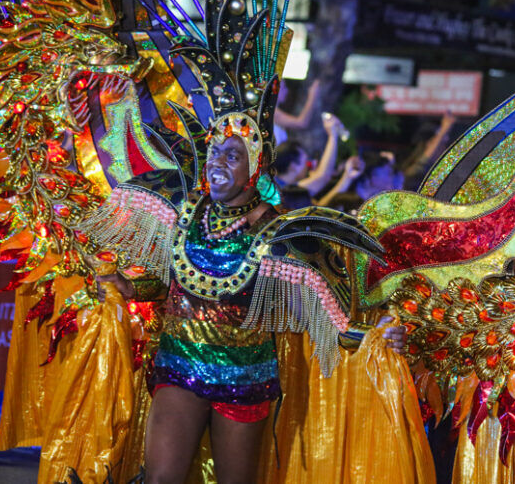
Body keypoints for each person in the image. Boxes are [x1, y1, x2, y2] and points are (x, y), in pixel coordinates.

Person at [93, 120, 407, 484]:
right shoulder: (185, 211)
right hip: (180, 365)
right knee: (161, 479)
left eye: (232, 156)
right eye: (214, 152)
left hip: (245, 381)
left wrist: (374, 336)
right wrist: (129, 287)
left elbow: (325, 318)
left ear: (255, 167)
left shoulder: (279, 237)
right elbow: (168, 279)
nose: (217, 163)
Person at [273, 79, 321, 145]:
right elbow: (301, 123)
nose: (286, 90)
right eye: (283, 87)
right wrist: (312, 96)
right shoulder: (273, 112)